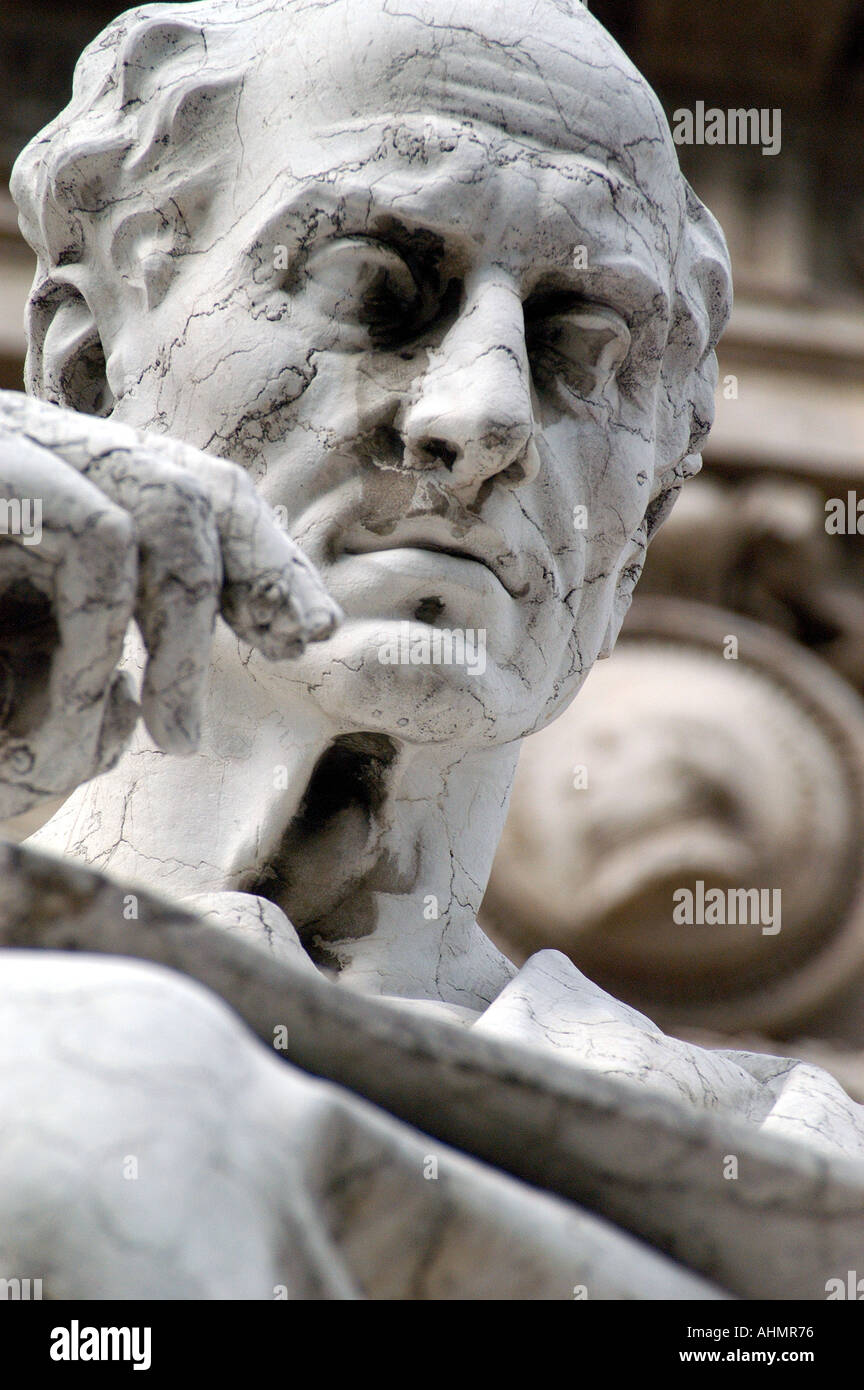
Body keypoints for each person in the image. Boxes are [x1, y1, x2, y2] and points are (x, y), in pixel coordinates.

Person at [1, 0, 860, 1300]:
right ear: (84, 368)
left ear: (647, 525)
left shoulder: (800, 1174)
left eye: (588, 347)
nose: (486, 414)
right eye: (376, 290)